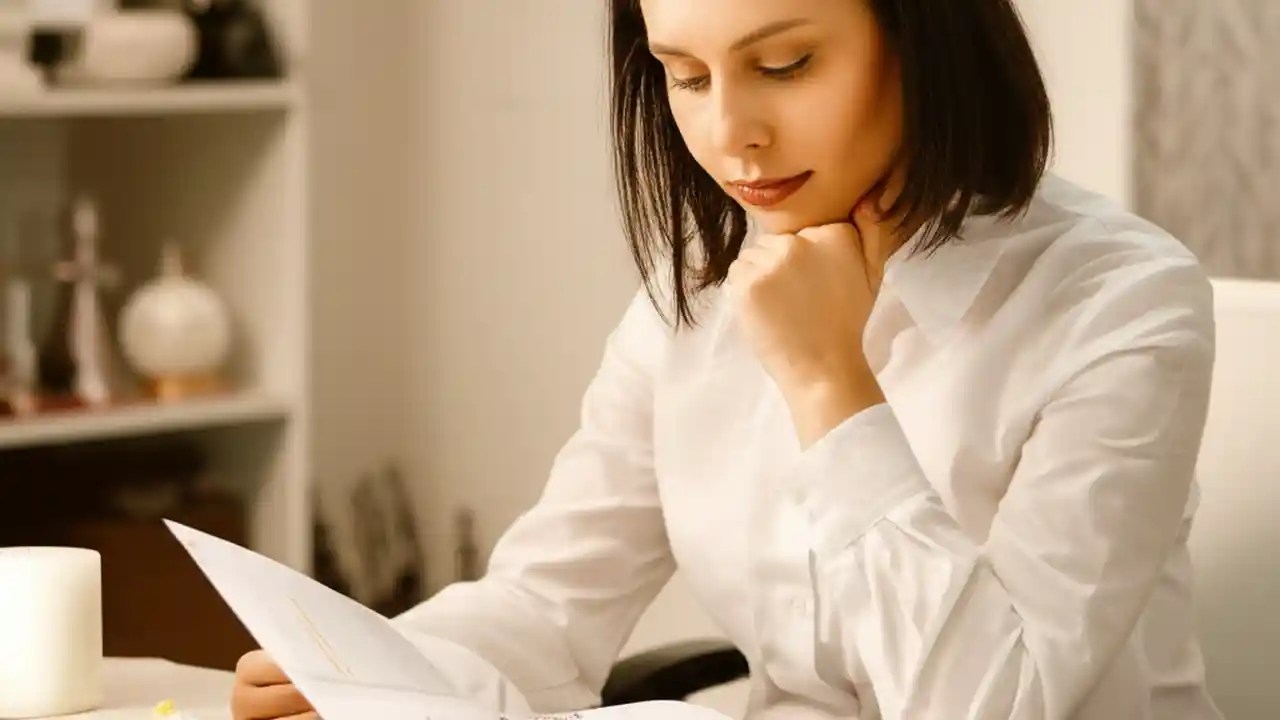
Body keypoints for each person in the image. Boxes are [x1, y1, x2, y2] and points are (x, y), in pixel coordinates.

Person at [232, 0, 1225, 718]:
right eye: (686, 76)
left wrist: (829, 384)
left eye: (785, 65)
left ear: (923, 38)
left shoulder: (1120, 300)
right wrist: (371, 672)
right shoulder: (697, 294)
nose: (728, 135)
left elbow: (992, 702)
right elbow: (547, 604)